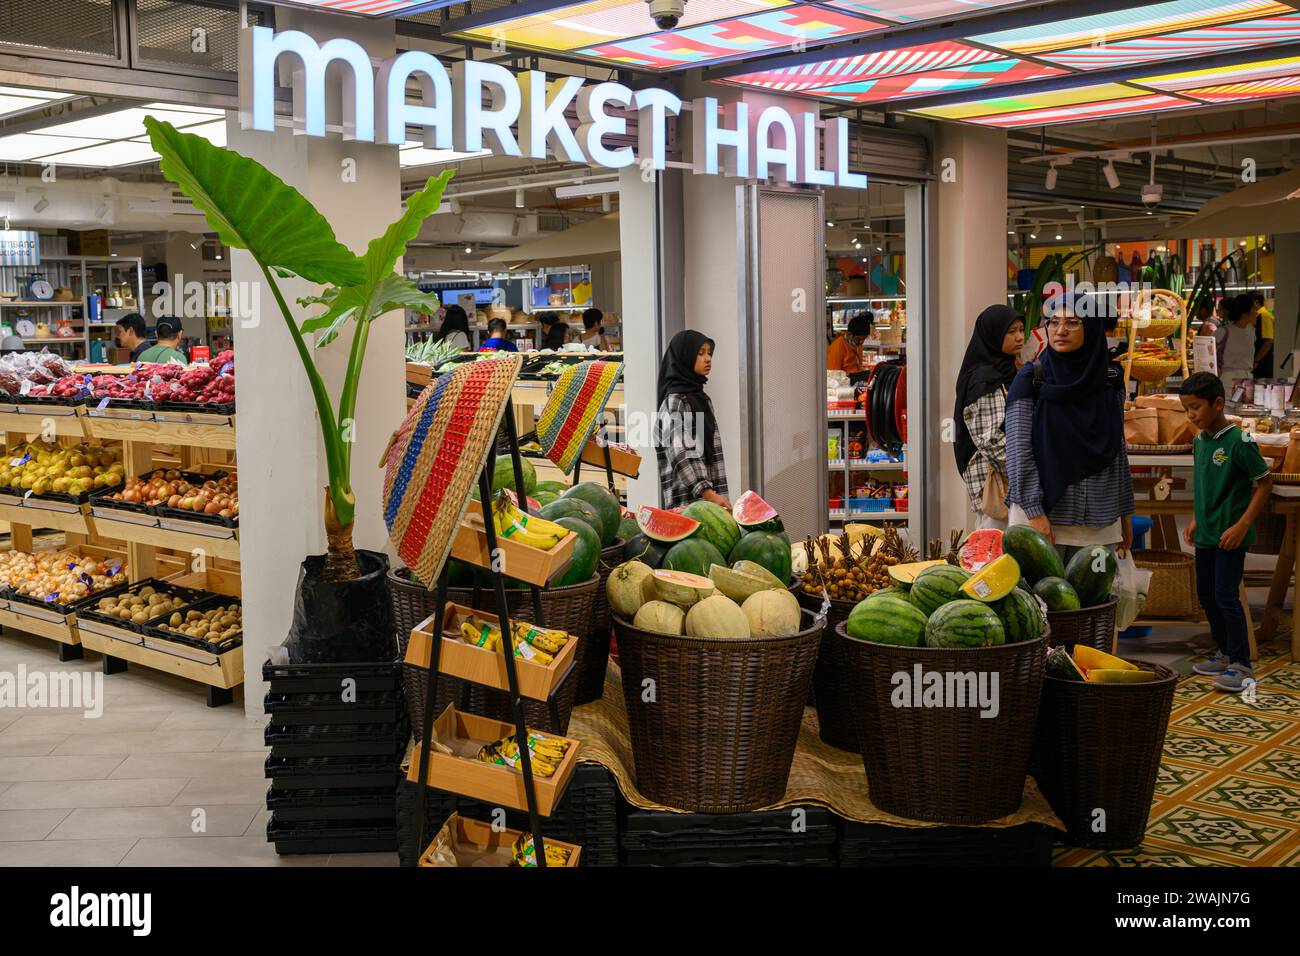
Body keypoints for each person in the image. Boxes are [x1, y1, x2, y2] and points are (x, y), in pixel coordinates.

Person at [1005, 295, 1135, 560]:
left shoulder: (1110, 380)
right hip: (1043, 518)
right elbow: (1019, 452)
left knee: (1097, 599)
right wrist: (1034, 511)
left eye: (1073, 322)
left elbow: (1117, 450)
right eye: (1053, 322)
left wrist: (1125, 513)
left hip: (1099, 519)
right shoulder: (1030, 379)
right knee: (1042, 600)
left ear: (1092, 327)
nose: (1060, 330)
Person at [1180, 372, 1272, 692]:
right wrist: (1195, 518)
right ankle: (1223, 651)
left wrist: (1243, 524)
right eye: (1186, 409)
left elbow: (1264, 483)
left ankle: (1241, 663)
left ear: (1218, 404)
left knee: (1226, 596)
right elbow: (1204, 486)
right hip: (1206, 533)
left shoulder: (1240, 441)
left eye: (1195, 408)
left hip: (1230, 536)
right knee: (1206, 595)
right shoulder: (1200, 441)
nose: (1191, 415)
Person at [953, 305, 1024, 530]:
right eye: (1011, 332)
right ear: (993, 335)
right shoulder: (986, 378)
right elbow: (991, 439)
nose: (1020, 337)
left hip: (1004, 479)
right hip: (996, 481)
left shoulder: (1006, 369)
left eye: (1021, 329)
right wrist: (1025, 470)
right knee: (995, 546)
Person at [654, 329, 729, 510]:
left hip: (709, 500)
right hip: (688, 504)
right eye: (700, 353)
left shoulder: (701, 398)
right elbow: (680, 454)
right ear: (684, 357)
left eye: (709, 353)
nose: (708, 358)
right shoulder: (675, 402)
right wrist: (708, 493)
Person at [1215, 294, 1256, 394]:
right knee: (1227, 409)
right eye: (1253, 309)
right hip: (1228, 380)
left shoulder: (1251, 330)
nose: (1256, 312)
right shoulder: (1223, 332)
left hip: (1248, 380)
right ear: (1244, 314)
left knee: (1245, 409)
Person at [1252, 292, 1275, 379]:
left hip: (1263, 363)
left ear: (1256, 303)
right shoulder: (1259, 316)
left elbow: (1269, 340)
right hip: (1262, 361)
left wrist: (1257, 360)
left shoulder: (1264, 316)